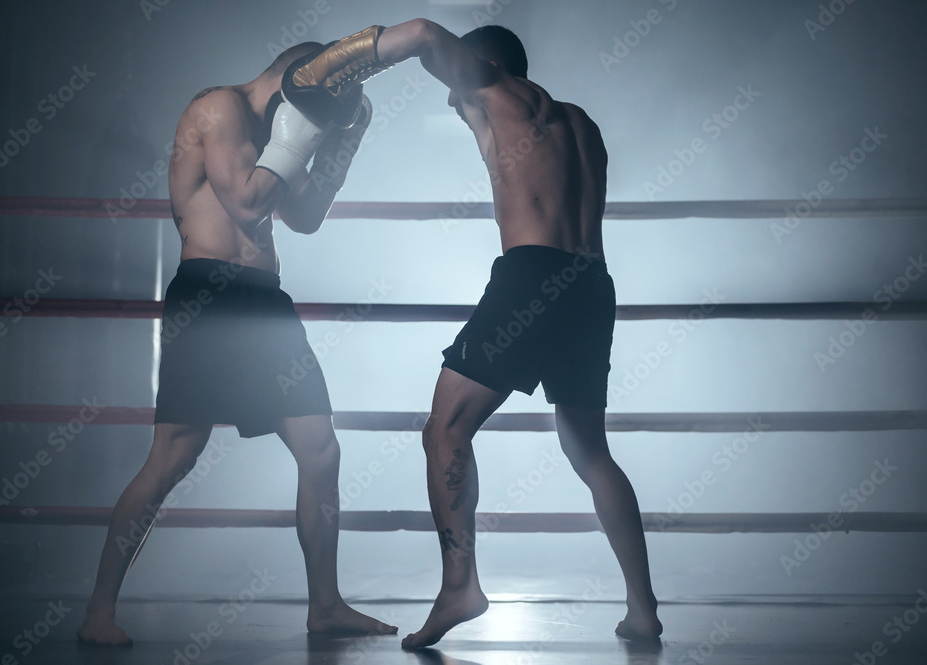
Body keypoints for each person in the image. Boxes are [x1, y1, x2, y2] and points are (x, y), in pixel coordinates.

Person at [289, 21, 662, 649]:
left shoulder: (493, 91)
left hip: (531, 277)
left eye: (456, 86)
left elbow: (423, 35)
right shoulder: (583, 125)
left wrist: (333, 65)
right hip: (592, 286)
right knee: (589, 450)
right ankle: (644, 609)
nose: (450, 100)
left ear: (481, 66)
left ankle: (460, 586)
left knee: (444, 429)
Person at [77, 42, 397, 645]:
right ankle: (98, 612)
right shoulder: (219, 108)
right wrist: (303, 133)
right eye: (314, 110)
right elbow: (248, 202)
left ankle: (325, 605)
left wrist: (343, 143)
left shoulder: (282, 127)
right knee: (173, 457)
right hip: (209, 298)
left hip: (265, 301)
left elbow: (305, 218)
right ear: (293, 83)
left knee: (321, 451)